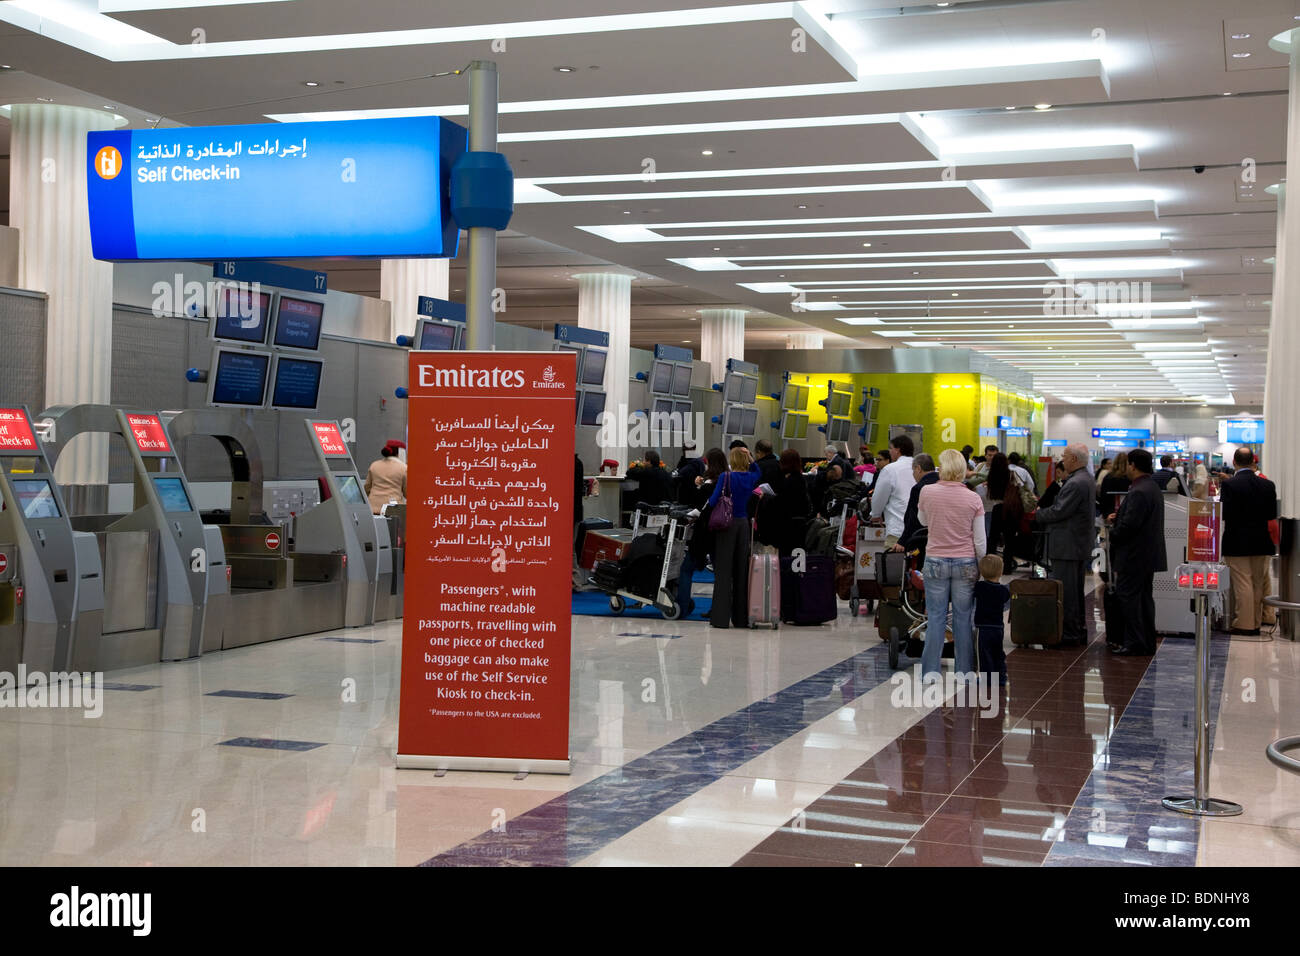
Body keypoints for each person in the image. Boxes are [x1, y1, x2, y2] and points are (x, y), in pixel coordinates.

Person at [916, 448, 986, 680]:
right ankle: (964, 672)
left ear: (942, 468)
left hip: (935, 560)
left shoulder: (927, 491)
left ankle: (930, 672)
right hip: (965, 562)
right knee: (962, 618)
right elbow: (979, 540)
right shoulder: (973, 498)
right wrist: (981, 564)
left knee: (935, 617)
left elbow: (923, 520)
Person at [1033, 442, 1096, 646]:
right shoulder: (1084, 479)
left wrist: (1037, 515)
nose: (1062, 458)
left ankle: (1068, 634)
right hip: (1075, 544)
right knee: (1073, 592)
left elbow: (1060, 511)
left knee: (1066, 593)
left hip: (1068, 546)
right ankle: (1075, 631)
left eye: (1065, 456)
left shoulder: (1076, 483)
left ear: (1074, 460)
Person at [1106, 448, 1165, 656]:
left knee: (1129, 598)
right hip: (1146, 555)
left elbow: (1130, 526)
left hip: (1134, 555)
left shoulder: (1139, 491)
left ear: (1132, 465)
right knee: (1144, 599)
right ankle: (1146, 640)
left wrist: (1113, 532)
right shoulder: (1152, 487)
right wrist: (1120, 517)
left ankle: (1134, 642)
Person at [1220, 446, 1278, 636]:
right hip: (1261, 540)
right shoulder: (1268, 485)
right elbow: (1271, 514)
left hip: (1237, 541)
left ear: (1234, 462)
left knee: (1243, 582)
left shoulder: (1230, 485)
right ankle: (1255, 621)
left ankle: (1245, 625)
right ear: (1253, 462)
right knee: (1257, 583)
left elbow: (1225, 514)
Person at [706, 446, 761, 628]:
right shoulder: (751, 478)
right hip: (743, 524)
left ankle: (720, 618)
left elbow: (714, 500)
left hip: (726, 525)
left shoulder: (725, 477)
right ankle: (740, 618)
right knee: (741, 571)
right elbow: (757, 470)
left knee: (723, 571)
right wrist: (750, 458)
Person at [677, 448, 728, 619]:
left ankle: (682, 606)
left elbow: (699, 507)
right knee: (719, 573)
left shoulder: (708, 485)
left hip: (703, 533)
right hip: (720, 532)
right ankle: (718, 608)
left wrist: (698, 487)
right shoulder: (727, 481)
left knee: (686, 569)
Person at [869, 434, 916, 548]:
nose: (889, 451)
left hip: (898, 530)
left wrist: (875, 514)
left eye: (891, 448)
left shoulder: (890, 469)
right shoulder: (920, 466)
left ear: (897, 450)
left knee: (893, 565)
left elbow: (879, 497)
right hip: (918, 530)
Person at [973, 553, 1011, 686]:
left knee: (984, 654)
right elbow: (1006, 598)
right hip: (998, 628)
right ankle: (1001, 676)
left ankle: (986, 678)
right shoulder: (1003, 590)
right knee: (998, 653)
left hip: (983, 627)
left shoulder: (980, 587)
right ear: (1000, 572)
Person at [769, 449, 812, 555]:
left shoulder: (789, 481)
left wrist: (767, 498)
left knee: (787, 558)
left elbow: (782, 503)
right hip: (801, 525)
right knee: (798, 557)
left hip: (788, 527)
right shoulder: (801, 479)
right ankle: (799, 572)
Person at [897, 452, 938, 554]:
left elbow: (913, 518)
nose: (913, 474)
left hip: (920, 539)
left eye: (913, 470)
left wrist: (902, 541)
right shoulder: (941, 483)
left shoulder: (918, 488)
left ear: (918, 468)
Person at [363, 439, 406, 515]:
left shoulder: (374, 465)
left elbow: (367, 488)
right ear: (401, 452)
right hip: (393, 510)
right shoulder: (403, 468)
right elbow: (407, 492)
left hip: (373, 508)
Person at [1097, 450, 1130, 517]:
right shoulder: (1130, 477)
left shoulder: (1109, 476)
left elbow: (1103, 495)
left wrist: (1105, 514)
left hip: (1110, 511)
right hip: (1127, 511)